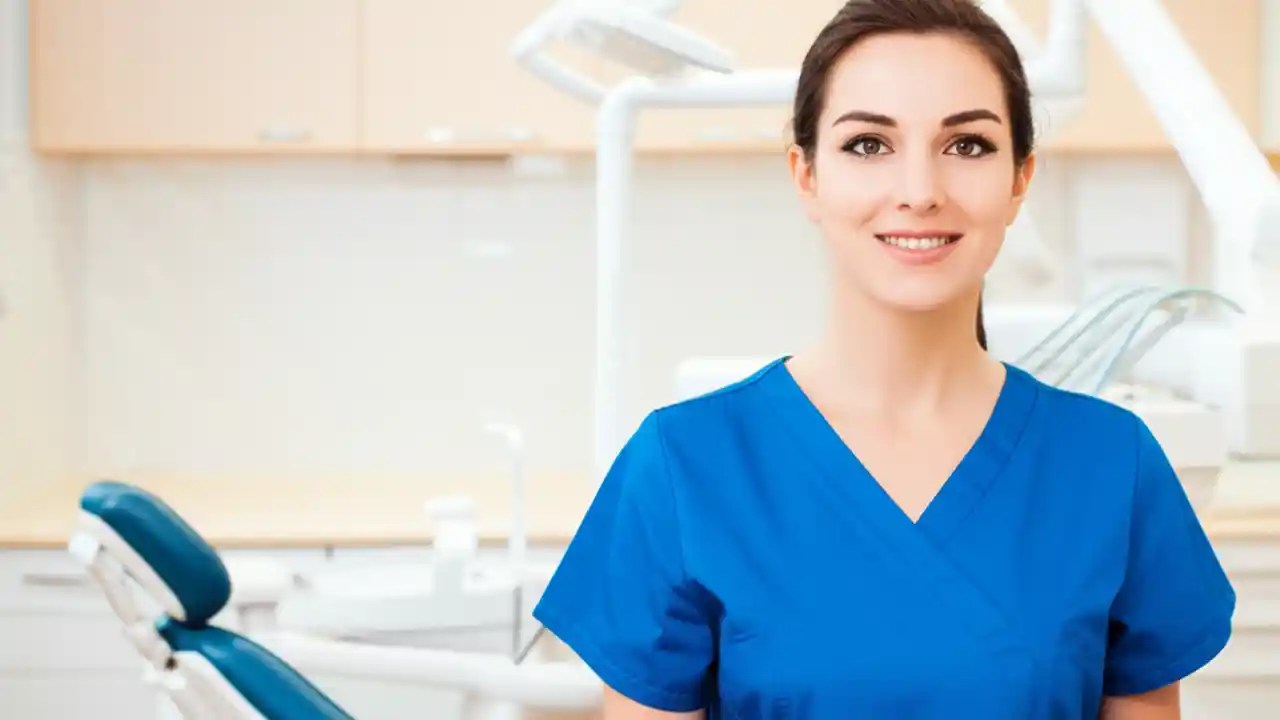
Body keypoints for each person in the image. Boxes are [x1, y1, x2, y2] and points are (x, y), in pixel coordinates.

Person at [532, 0, 1236, 717]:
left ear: (1021, 177)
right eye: (869, 145)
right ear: (805, 174)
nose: (920, 192)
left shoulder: (1112, 466)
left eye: (967, 146)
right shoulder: (684, 467)